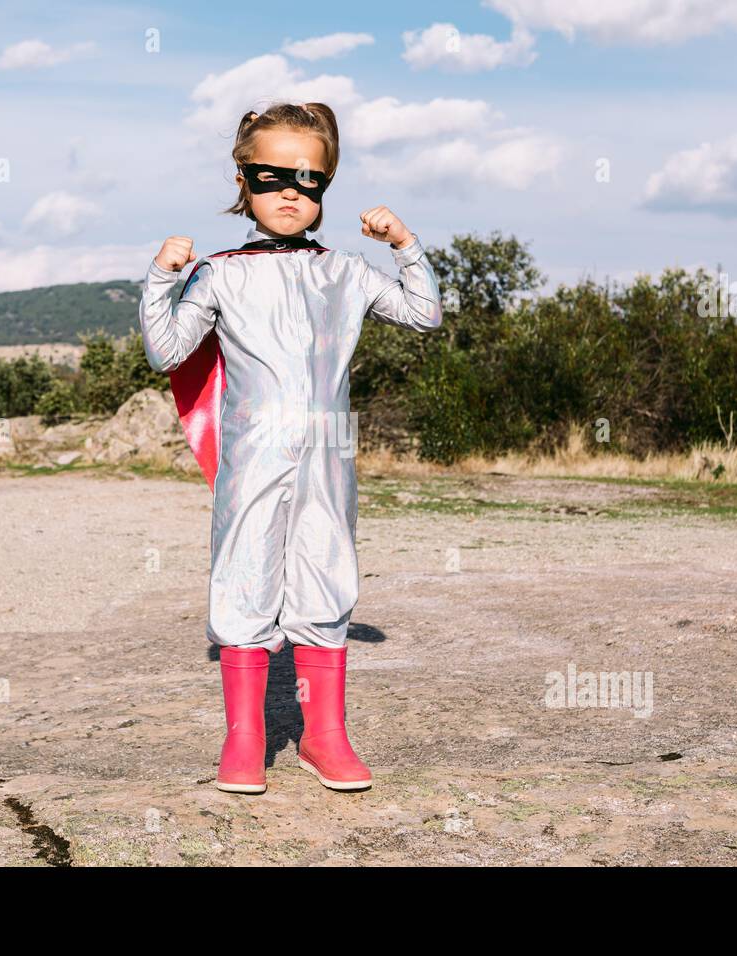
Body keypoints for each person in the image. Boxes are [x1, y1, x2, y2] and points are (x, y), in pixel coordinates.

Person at [138, 102, 443, 793]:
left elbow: (424, 314)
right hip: (252, 456)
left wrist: (404, 244)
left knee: (326, 571)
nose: (288, 192)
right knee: (245, 572)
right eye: (270, 176)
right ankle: (244, 737)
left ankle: (323, 736)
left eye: (308, 181)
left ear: (325, 188)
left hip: (328, 459)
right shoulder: (221, 273)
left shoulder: (347, 272)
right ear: (243, 183)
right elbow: (167, 349)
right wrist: (162, 277)